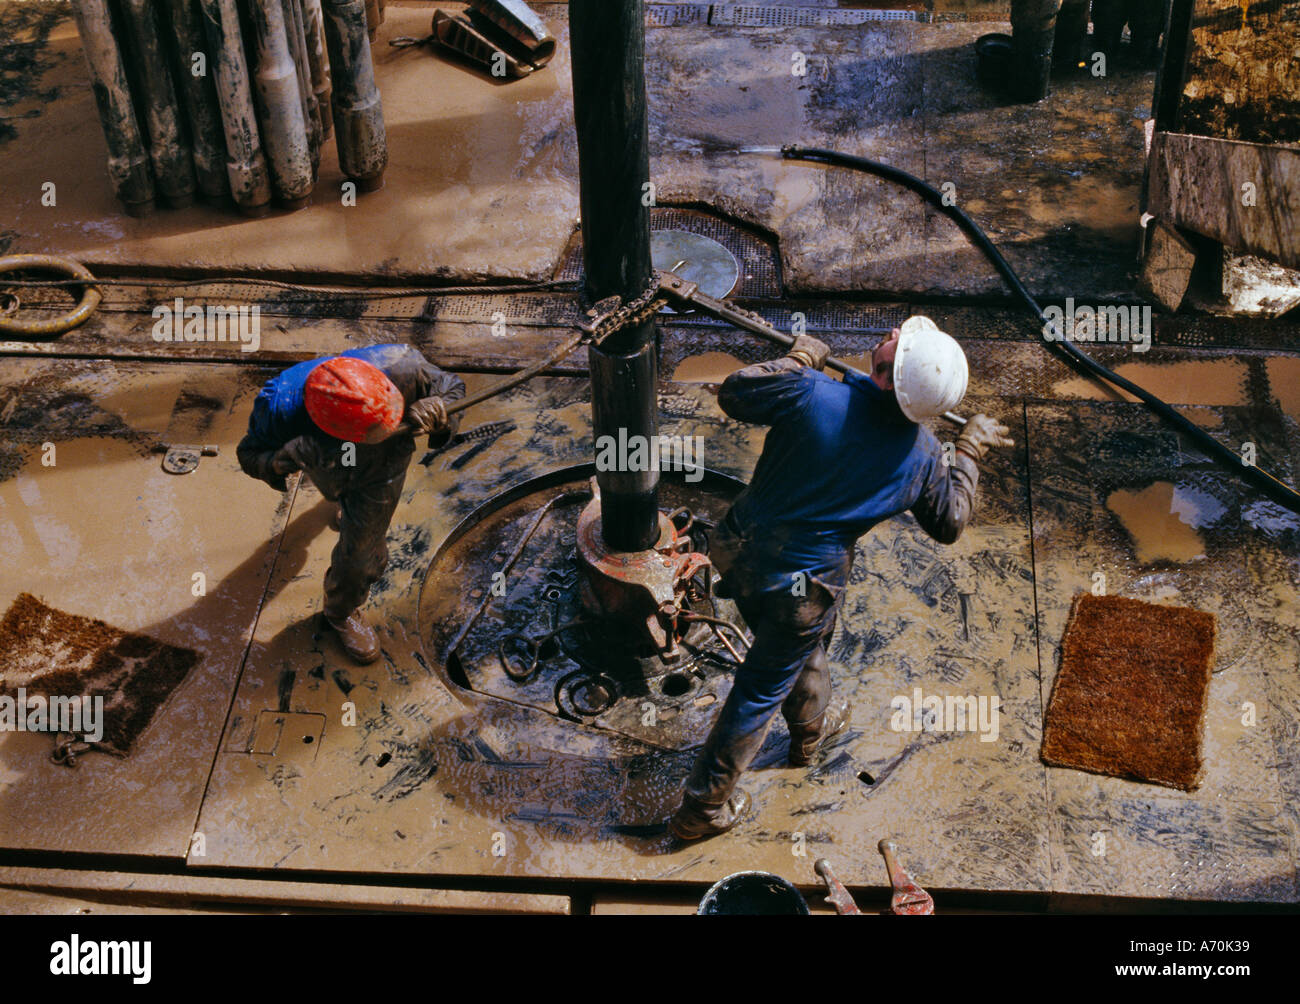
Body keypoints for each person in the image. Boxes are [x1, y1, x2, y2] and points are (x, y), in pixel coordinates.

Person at [668, 317, 1014, 840]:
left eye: (899, 339)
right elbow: (949, 523)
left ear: (883, 370)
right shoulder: (921, 456)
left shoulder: (809, 393)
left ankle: (803, 736)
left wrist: (800, 357)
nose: (895, 329)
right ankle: (704, 805)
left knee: (790, 648)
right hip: (802, 588)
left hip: (740, 549)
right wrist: (966, 454)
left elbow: (737, 392)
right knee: (768, 675)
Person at [237, 344, 465, 664]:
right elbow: (248, 454)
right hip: (328, 463)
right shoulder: (279, 405)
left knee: (361, 553)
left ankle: (341, 611)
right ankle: (341, 499)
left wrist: (440, 408)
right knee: (337, 491)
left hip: (383, 467)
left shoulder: (402, 363)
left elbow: (453, 387)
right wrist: (278, 461)